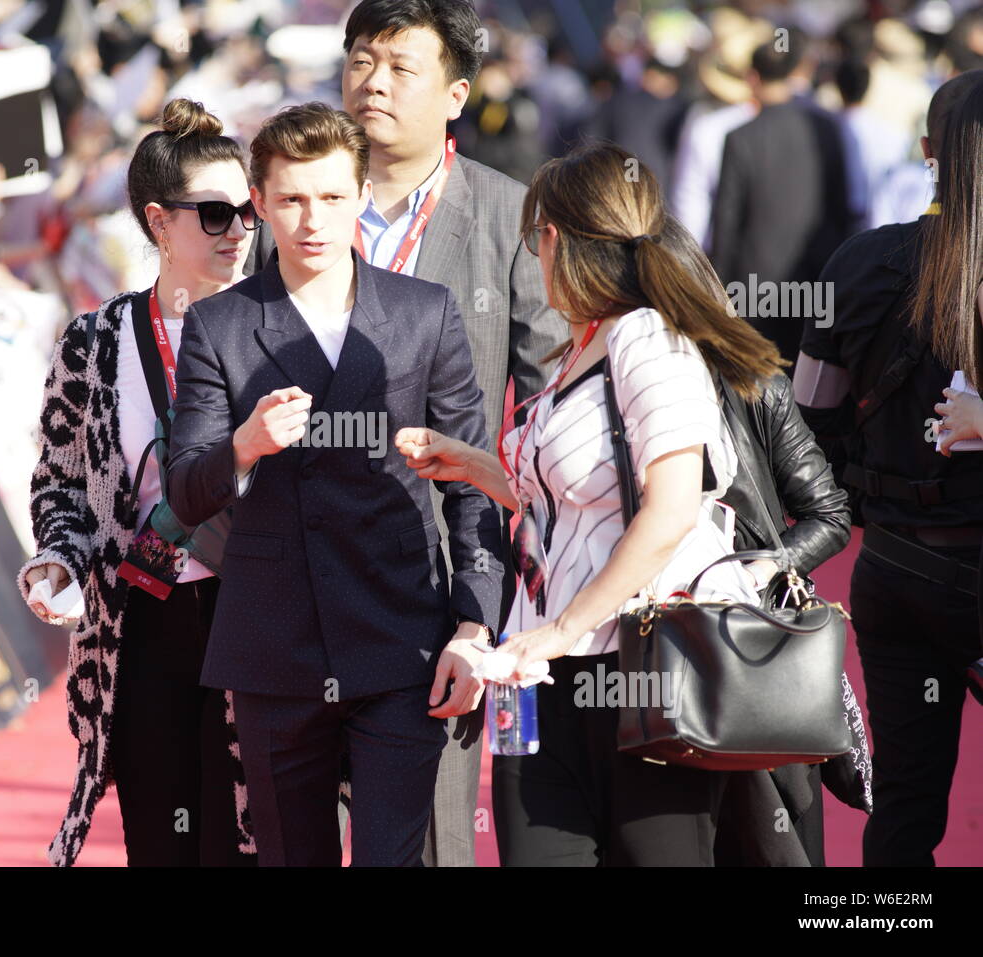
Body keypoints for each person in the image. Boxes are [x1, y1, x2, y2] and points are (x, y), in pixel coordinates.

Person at [394, 141, 788, 865]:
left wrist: (562, 628)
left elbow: (669, 508)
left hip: (640, 665)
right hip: (543, 672)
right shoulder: (580, 347)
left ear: (552, 239)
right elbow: (578, 500)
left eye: (533, 239)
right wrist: (475, 464)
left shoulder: (646, 338)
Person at [249, 0, 565, 867]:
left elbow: (545, 412)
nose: (372, 82)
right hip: (296, 579)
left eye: (400, 66)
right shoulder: (295, 207)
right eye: (360, 59)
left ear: (456, 94)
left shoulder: (510, 218)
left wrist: (484, 607)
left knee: (423, 839)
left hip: (431, 577)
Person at [163, 101, 504, 867]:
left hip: (403, 635)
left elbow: (474, 482)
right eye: (289, 199)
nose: (311, 219)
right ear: (258, 203)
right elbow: (185, 493)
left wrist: (475, 625)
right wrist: (244, 447)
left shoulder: (425, 313)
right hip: (276, 646)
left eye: (329, 197)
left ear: (359, 196)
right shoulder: (219, 326)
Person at [16, 98, 258, 868]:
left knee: (254, 837)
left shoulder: (282, 330)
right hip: (137, 618)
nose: (239, 231)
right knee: (163, 836)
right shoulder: (94, 342)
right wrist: (59, 557)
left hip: (255, 610)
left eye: (249, 211)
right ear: (159, 223)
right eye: (215, 214)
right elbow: (59, 483)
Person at [797, 69, 983, 866]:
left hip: (894, 568)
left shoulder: (860, 261)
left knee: (904, 805)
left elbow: (809, 414)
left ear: (927, 153)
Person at [663, 214, 858, 867]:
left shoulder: (756, 383)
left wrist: (761, 569)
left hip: (754, 642)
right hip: (653, 652)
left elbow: (829, 513)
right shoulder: (611, 398)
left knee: (778, 840)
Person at [709, 34, 852, 365]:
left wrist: (719, 292)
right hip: (817, 279)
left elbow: (727, 224)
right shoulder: (826, 129)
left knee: (760, 392)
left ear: (752, 78)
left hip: (754, 289)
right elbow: (842, 208)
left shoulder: (741, 138)